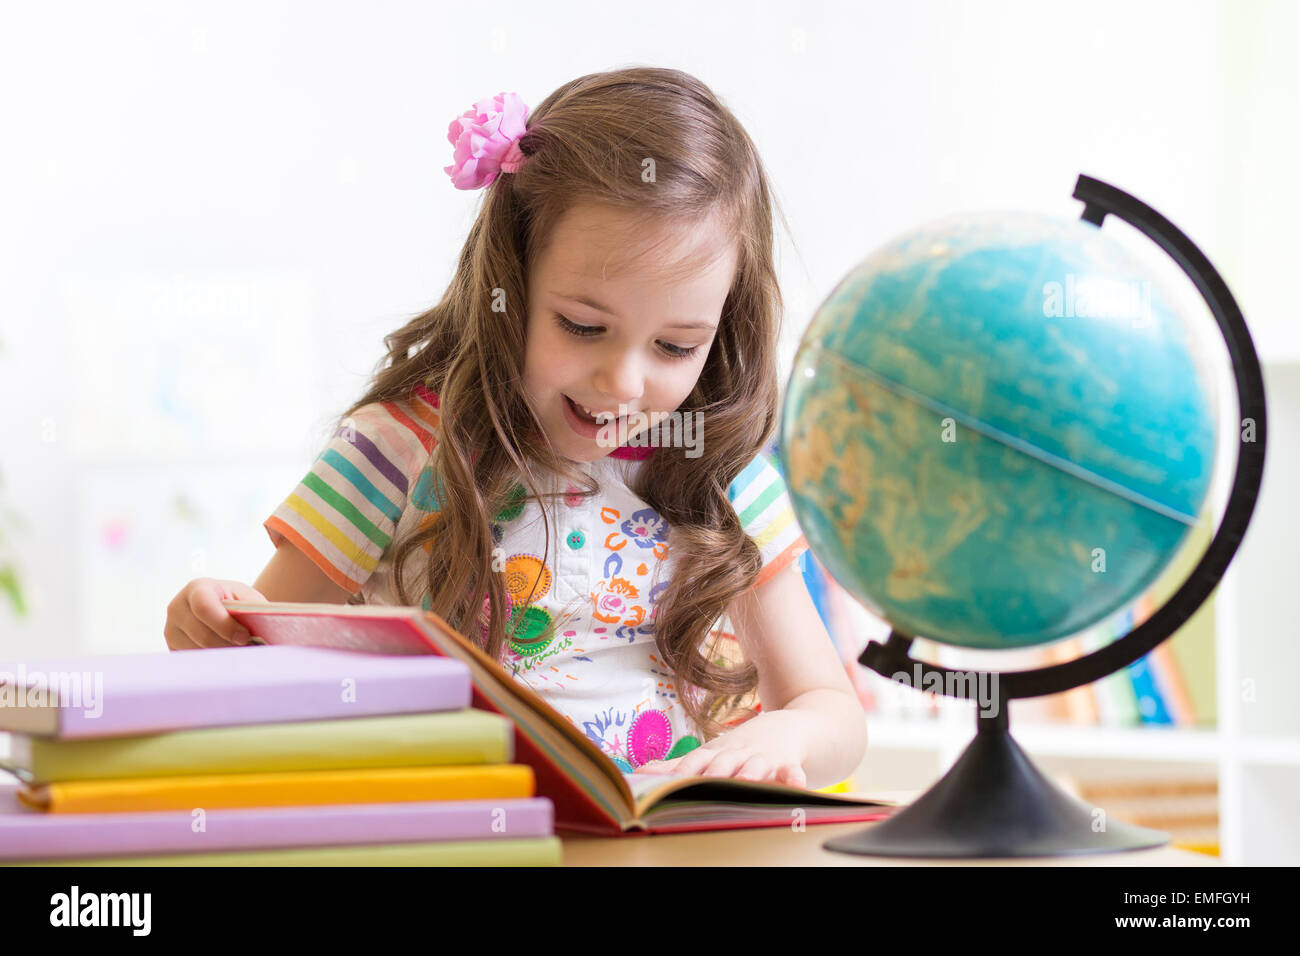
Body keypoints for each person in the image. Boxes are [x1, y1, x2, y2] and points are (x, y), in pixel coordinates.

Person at [164, 67, 867, 790]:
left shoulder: (721, 474)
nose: (622, 382)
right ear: (512, 282)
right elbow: (260, 662)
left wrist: (794, 733)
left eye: (675, 346)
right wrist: (216, 625)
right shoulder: (399, 447)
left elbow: (834, 715)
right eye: (584, 326)